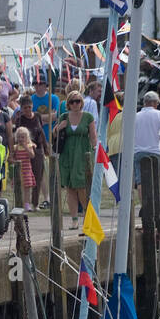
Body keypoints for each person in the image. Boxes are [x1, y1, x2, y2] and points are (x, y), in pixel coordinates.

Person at [55, 93, 95, 227]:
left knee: (82, 187)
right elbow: (54, 134)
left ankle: (86, 216)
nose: (75, 104)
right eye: (72, 102)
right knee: (70, 188)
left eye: (77, 101)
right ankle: (74, 219)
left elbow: (93, 138)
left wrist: (96, 153)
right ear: (68, 104)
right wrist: (59, 127)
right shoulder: (64, 117)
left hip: (82, 155)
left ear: (81, 102)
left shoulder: (88, 117)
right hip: (67, 155)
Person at [11, 94, 48, 209]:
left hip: (37, 148)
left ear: (32, 106)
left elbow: (41, 132)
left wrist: (45, 148)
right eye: (25, 107)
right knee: (25, 177)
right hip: (24, 150)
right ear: (21, 108)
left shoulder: (37, 116)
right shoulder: (20, 119)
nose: (28, 109)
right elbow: (17, 135)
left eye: (29, 107)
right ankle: (24, 202)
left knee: (37, 176)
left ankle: (35, 203)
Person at [133, 89, 160, 191]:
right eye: (157, 103)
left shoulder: (136, 116)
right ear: (153, 103)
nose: (157, 105)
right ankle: (154, 205)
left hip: (138, 151)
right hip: (155, 152)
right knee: (156, 181)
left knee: (140, 182)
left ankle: (144, 204)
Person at [11, 126, 38, 210]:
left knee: (27, 189)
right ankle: (19, 203)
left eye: (23, 137)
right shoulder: (15, 147)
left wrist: (26, 147)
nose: (20, 139)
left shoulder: (29, 146)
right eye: (18, 137)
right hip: (18, 171)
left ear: (27, 138)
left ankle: (27, 204)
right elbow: (12, 157)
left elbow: (32, 155)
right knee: (18, 188)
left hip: (27, 170)